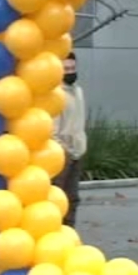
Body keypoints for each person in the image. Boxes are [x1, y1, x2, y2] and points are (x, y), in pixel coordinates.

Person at [52, 54, 88, 226]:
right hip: (61, 155)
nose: (70, 72)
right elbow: (52, 129)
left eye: (73, 68)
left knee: (73, 199)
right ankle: (55, 234)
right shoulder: (56, 95)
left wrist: (80, 146)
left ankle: (69, 234)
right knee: (58, 199)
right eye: (66, 69)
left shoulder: (78, 91)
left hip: (77, 153)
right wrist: (64, 149)